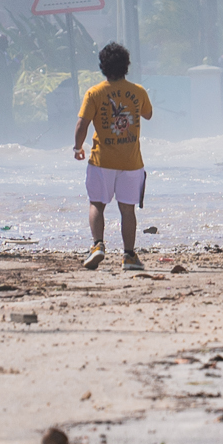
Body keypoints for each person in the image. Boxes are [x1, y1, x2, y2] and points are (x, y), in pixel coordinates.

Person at [73, 40, 151, 272]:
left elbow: (82, 124)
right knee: (128, 210)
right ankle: (128, 256)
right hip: (131, 162)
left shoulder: (95, 93)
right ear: (127, 66)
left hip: (102, 161)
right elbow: (148, 114)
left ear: (103, 67)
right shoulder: (138, 91)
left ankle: (97, 245)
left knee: (97, 204)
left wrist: (77, 147)